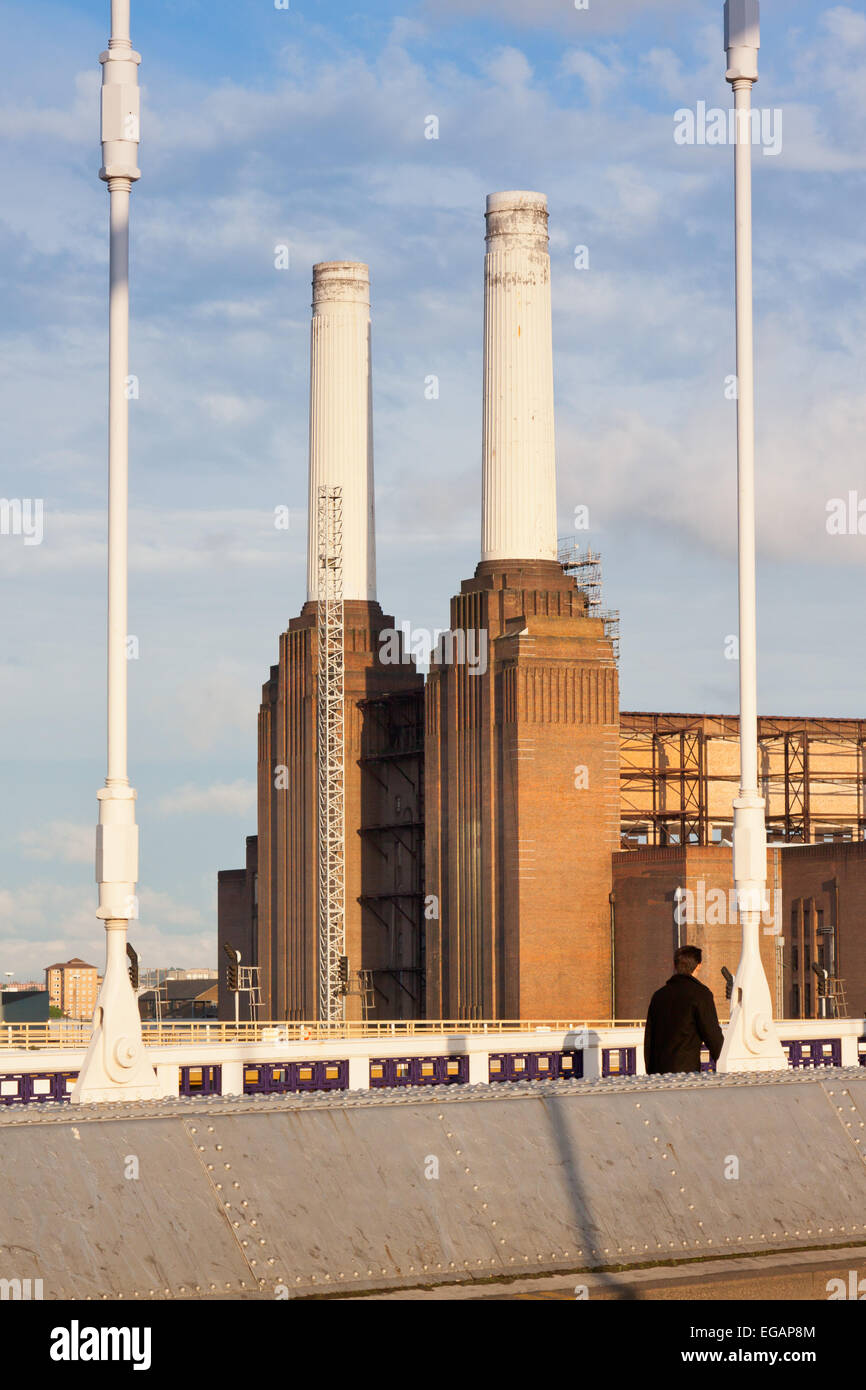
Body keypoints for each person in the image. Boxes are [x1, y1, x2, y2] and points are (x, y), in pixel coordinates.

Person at [643, 945, 724, 1074]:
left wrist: (651, 1072)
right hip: (686, 1073)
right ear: (698, 966)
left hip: (658, 1073)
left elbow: (649, 1040)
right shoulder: (701, 994)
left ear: (675, 966)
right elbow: (712, 1036)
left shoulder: (658, 996)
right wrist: (724, 1059)